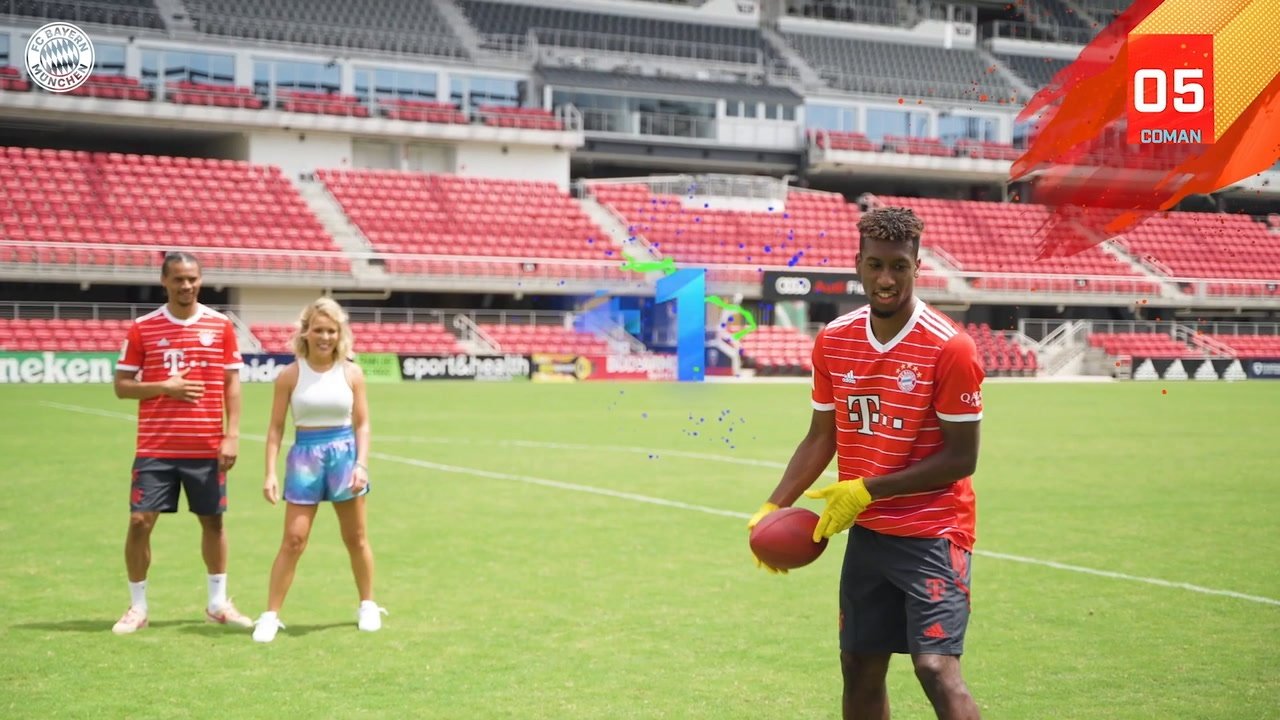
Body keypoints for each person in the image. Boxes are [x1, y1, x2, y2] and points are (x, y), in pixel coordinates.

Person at [747, 207, 985, 720]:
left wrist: (866, 490)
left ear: (917, 265)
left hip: (934, 532)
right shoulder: (834, 339)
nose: (886, 278)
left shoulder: (951, 347)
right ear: (858, 263)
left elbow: (962, 458)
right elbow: (820, 437)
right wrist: (773, 505)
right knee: (858, 663)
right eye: (875, 264)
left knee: (935, 669)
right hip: (869, 534)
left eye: (899, 265)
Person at [112, 251, 253, 634]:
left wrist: (232, 434)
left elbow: (231, 385)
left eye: (192, 278)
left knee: (213, 523)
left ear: (200, 280)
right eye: (178, 279)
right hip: (156, 448)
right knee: (140, 522)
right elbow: (121, 387)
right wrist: (164, 387)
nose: (186, 285)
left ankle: (217, 603)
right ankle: (138, 607)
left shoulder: (220, 325)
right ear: (165, 282)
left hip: (207, 447)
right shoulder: (143, 328)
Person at [252, 297, 382, 643]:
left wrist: (362, 464)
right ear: (305, 332)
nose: (325, 337)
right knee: (294, 540)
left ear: (340, 334)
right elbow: (276, 428)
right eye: (318, 329)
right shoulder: (290, 375)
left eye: (331, 331)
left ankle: (367, 604)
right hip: (305, 459)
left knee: (355, 538)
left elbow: (363, 424)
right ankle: (270, 615)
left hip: (344, 457)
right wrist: (270, 472)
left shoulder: (352, 372)